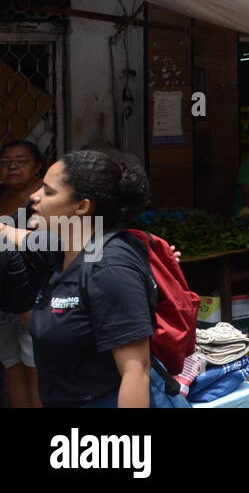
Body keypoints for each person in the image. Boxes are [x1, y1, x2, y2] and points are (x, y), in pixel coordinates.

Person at [15, 150, 188, 407]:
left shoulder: (110, 268)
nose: (34, 196)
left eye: (49, 192)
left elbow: (135, 372)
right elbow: (16, 235)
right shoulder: (66, 251)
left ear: (82, 207)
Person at [0, 141, 45, 408]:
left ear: (38, 165)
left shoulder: (46, 198)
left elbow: (60, 241)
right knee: (11, 363)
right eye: (5, 162)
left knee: (35, 366)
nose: (12, 166)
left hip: (36, 296)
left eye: (21, 160)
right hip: (4, 297)